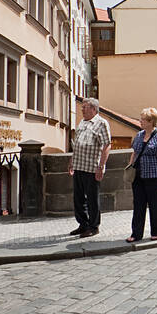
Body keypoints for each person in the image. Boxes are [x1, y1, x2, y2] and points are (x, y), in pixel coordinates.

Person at [68, 96, 109, 238]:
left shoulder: (101, 123)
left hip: (92, 167)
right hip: (79, 165)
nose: (82, 109)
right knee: (78, 199)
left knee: (92, 199)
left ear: (93, 108)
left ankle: (94, 226)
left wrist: (101, 166)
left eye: (84, 107)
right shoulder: (82, 122)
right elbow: (77, 144)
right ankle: (83, 224)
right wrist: (72, 160)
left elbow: (106, 145)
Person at [129, 107, 157, 244]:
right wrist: (130, 166)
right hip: (140, 177)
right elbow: (135, 153)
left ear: (151, 121)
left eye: (143, 119)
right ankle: (136, 233)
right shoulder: (139, 135)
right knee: (138, 206)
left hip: (155, 177)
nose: (140, 121)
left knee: (156, 206)